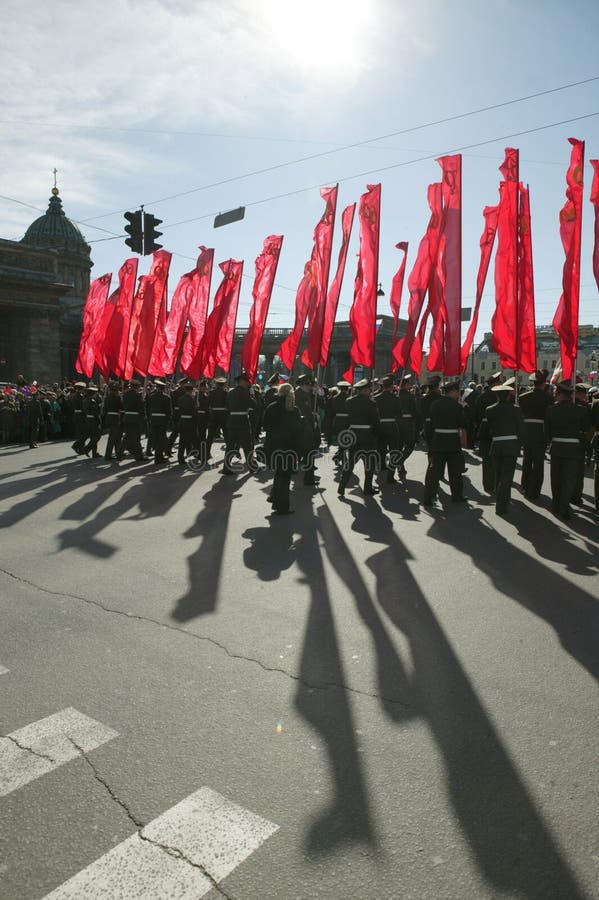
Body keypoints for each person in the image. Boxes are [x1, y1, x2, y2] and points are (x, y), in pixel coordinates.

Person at [545, 380, 590, 520]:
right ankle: (564, 508)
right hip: (573, 448)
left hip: (556, 447)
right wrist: (581, 443)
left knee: (556, 478)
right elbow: (587, 429)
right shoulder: (581, 410)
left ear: (559, 394)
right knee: (568, 480)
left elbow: (547, 431)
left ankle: (556, 505)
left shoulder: (551, 409)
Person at [423, 381, 466, 507]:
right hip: (452, 441)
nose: (458, 393)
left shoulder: (435, 404)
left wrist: (430, 443)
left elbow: (430, 426)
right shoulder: (457, 406)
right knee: (455, 471)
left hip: (438, 440)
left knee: (434, 472)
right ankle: (457, 496)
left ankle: (428, 498)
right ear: (451, 391)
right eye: (457, 391)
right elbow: (463, 424)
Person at [263, 382, 303, 514]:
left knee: (279, 472)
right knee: (285, 476)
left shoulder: (271, 407)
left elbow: (265, 426)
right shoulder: (294, 409)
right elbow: (298, 430)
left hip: (273, 445)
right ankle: (283, 506)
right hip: (288, 446)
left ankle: (275, 497)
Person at [338, 378, 380, 498]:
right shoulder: (371, 403)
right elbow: (375, 421)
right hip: (367, 435)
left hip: (353, 434)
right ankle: (367, 488)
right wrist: (376, 434)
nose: (370, 392)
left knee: (350, 463)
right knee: (369, 464)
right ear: (365, 390)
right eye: (369, 389)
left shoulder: (349, 401)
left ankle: (342, 486)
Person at [486, 383, 522, 515]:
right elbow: (520, 429)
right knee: (507, 477)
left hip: (496, 445)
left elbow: (490, 428)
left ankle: (502, 500)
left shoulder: (489, 409)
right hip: (511, 445)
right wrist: (519, 445)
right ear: (508, 396)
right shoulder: (516, 409)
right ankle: (502, 504)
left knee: (498, 475)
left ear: (496, 395)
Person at [518, 370, 552, 499]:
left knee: (527, 459)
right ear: (544, 384)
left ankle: (525, 485)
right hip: (541, 432)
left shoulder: (523, 397)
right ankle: (535, 490)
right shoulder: (549, 398)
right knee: (538, 462)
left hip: (526, 431)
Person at [222, 372, 256, 475]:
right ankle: (252, 467)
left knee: (230, 446)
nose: (248, 384)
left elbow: (227, 407)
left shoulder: (231, 392)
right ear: (242, 382)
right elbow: (253, 405)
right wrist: (252, 395)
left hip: (232, 422)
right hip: (242, 422)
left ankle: (226, 468)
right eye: (246, 382)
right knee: (247, 446)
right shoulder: (245, 392)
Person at [295, 374, 321, 486]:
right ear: (303, 385)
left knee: (309, 451)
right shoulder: (297, 395)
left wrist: (319, 393)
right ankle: (308, 479)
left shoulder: (310, 394)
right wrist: (311, 414)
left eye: (311, 385)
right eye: (309, 385)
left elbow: (321, 404)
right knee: (308, 452)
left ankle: (308, 476)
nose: (311, 387)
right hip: (302, 427)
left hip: (309, 426)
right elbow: (302, 410)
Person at [375, 375, 401, 483]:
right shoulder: (395, 398)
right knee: (394, 450)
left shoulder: (376, 398)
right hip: (392, 426)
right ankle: (390, 475)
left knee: (381, 449)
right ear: (391, 387)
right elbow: (399, 414)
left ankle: (382, 466)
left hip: (380, 426)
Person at [147, 380, 172, 464]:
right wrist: (168, 420)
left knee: (156, 438)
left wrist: (150, 418)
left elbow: (148, 409)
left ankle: (159, 456)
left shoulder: (151, 396)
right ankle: (158, 458)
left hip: (153, 419)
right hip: (162, 420)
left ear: (157, 388)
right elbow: (169, 411)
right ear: (164, 388)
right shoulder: (166, 397)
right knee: (161, 439)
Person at [122, 380, 145, 463]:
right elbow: (140, 408)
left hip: (127, 417)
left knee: (128, 436)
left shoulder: (125, 394)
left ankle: (119, 452)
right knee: (136, 437)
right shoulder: (137, 395)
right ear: (137, 387)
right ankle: (139, 456)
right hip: (135, 418)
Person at [176, 381, 198, 465]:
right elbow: (194, 413)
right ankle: (197, 454)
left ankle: (180, 458)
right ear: (191, 390)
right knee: (194, 439)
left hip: (182, 421)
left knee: (182, 441)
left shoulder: (180, 399)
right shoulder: (192, 400)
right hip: (190, 422)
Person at [104, 382, 124, 461]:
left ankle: (117, 452)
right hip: (115, 418)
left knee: (115, 436)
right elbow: (121, 407)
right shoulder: (117, 398)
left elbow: (105, 409)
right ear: (116, 391)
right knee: (113, 438)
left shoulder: (106, 398)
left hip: (109, 418)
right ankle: (108, 455)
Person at [81, 386, 102, 458]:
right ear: (93, 394)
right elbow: (95, 412)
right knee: (97, 436)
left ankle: (94, 453)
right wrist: (99, 407)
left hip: (88, 419)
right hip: (93, 420)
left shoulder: (85, 400)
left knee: (93, 437)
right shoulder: (92, 401)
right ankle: (86, 448)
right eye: (95, 393)